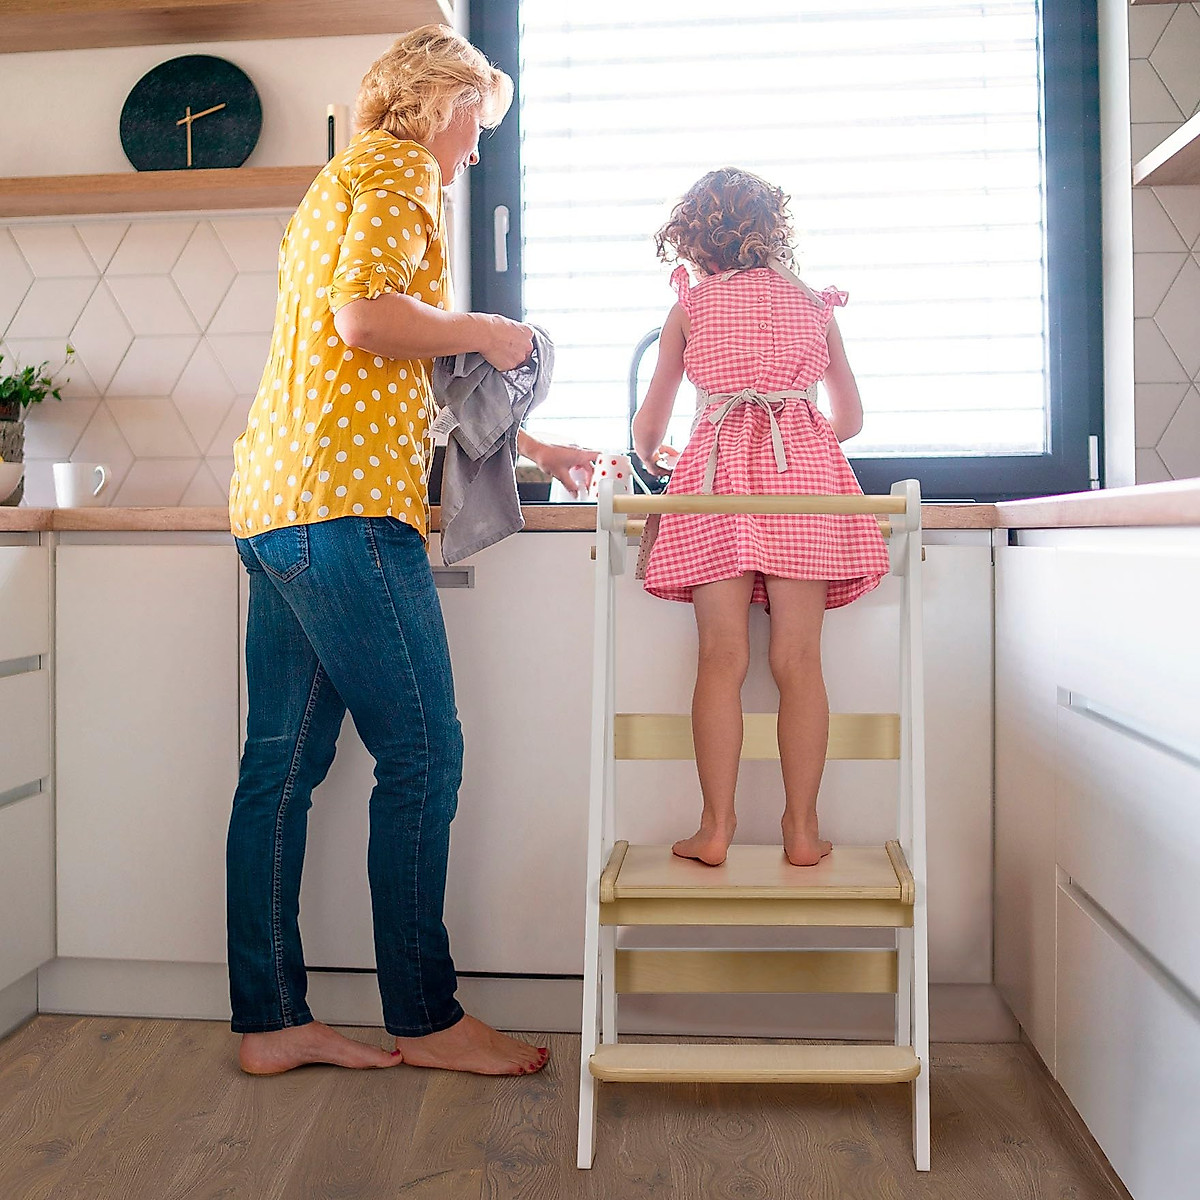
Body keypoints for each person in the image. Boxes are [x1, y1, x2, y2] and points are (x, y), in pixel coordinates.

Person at [226, 25, 595, 1078]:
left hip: (278, 508)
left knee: (280, 771)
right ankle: (426, 1018)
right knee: (425, 756)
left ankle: (271, 1020)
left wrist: (539, 443)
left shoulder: (340, 181)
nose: (477, 149)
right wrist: (482, 327)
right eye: (477, 121)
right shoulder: (396, 169)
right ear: (442, 102)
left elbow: (387, 371)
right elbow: (367, 322)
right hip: (342, 512)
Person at [631, 167, 889, 870]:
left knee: (720, 660)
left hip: (716, 483)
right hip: (800, 483)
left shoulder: (692, 306)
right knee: (799, 662)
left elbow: (648, 430)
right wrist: (799, 435)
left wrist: (675, 445)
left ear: (694, 242)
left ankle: (714, 829)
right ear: (774, 231)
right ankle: (802, 832)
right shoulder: (813, 303)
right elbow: (853, 419)